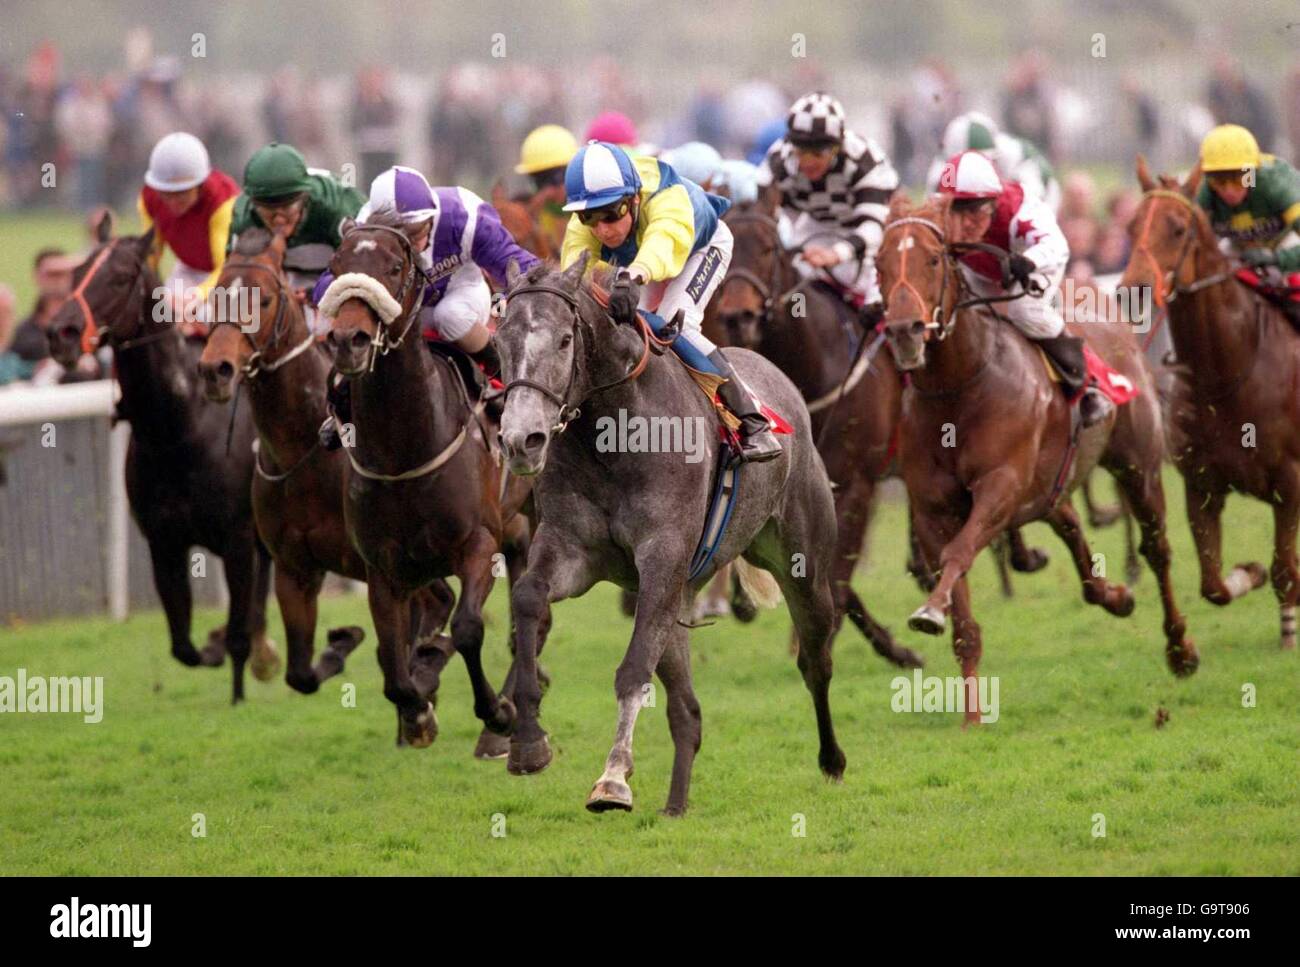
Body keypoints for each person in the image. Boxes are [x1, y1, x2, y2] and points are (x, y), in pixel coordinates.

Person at [560, 140, 780, 462]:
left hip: (700, 247)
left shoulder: (666, 199)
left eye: (611, 213)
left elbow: (664, 244)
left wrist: (632, 277)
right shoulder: (588, 222)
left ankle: (754, 423)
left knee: (674, 326)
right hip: (644, 260)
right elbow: (573, 277)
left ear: (635, 200)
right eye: (588, 218)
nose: (602, 229)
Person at [314, 165, 541, 449]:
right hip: (404, 310)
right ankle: (344, 404)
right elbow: (326, 285)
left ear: (432, 215)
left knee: (450, 316)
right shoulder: (363, 231)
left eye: (416, 231)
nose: (414, 245)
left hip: (462, 294)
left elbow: (515, 266)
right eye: (401, 235)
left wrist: (547, 287)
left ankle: (500, 379)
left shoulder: (464, 215)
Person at [938, 150, 1112, 428]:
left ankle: (1087, 385)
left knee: (1025, 310)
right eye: (954, 209)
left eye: (972, 210)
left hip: (1033, 260)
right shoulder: (937, 215)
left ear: (993, 203)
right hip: (979, 268)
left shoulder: (1022, 211)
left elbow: (1057, 246)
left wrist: (1027, 261)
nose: (962, 223)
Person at [755, 91, 900, 326]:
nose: (808, 162)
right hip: (813, 225)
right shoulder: (779, 160)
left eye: (819, 153)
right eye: (801, 151)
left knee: (878, 303)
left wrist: (836, 254)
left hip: (869, 235)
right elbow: (763, 214)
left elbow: (873, 227)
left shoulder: (865, 160)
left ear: (838, 147)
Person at [226, 142, 366, 331]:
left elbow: (362, 270)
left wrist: (319, 292)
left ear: (305, 197)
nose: (279, 219)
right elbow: (235, 279)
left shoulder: (338, 207)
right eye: (268, 210)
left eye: (286, 207)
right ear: (254, 204)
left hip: (340, 271)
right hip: (286, 277)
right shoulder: (244, 217)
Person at [1195, 123, 1300, 318]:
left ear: (1252, 172)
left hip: (1286, 241)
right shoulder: (1206, 194)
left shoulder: (1277, 185)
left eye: (1238, 178)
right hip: (1238, 248)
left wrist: (1276, 260)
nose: (1228, 190)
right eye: (1219, 180)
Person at [137, 132, 240, 328]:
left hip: (232, 275)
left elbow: (227, 266)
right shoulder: (148, 199)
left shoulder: (222, 201)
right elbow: (150, 258)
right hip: (187, 268)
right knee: (160, 315)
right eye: (166, 194)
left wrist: (199, 295)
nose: (173, 202)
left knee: (210, 318)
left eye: (182, 194)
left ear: (200, 186)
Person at [925, 110, 1061, 212]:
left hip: (1043, 198)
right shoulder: (940, 172)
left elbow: (1033, 203)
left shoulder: (1016, 156)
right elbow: (934, 211)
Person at [512, 124, 579, 256]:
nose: (549, 190)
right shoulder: (529, 210)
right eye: (540, 181)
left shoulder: (591, 208)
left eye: (557, 178)